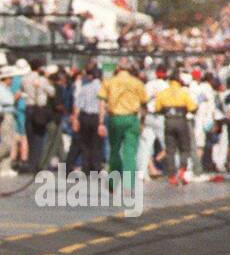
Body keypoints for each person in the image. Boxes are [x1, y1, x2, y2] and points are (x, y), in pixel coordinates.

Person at [98, 57, 148, 189]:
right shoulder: (137, 83)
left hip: (115, 118)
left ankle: (112, 183)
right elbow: (144, 105)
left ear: (118, 68)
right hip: (131, 119)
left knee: (114, 151)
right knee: (130, 153)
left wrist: (101, 122)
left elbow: (102, 103)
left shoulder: (109, 82)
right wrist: (142, 122)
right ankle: (128, 185)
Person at [154, 70, 198, 185]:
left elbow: (157, 109)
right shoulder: (184, 92)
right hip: (181, 120)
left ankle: (172, 176)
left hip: (168, 121)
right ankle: (182, 171)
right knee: (185, 148)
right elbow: (193, 108)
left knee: (170, 150)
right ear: (179, 81)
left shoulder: (163, 92)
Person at [69, 62, 104, 172]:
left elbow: (78, 105)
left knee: (85, 144)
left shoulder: (85, 87)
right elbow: (102, 106)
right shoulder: (102, 88)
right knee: (96, 144)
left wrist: (75, 119)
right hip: (96, 117)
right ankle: (96, 167)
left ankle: (86, 167)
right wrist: (101, 123)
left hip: (84, 117)